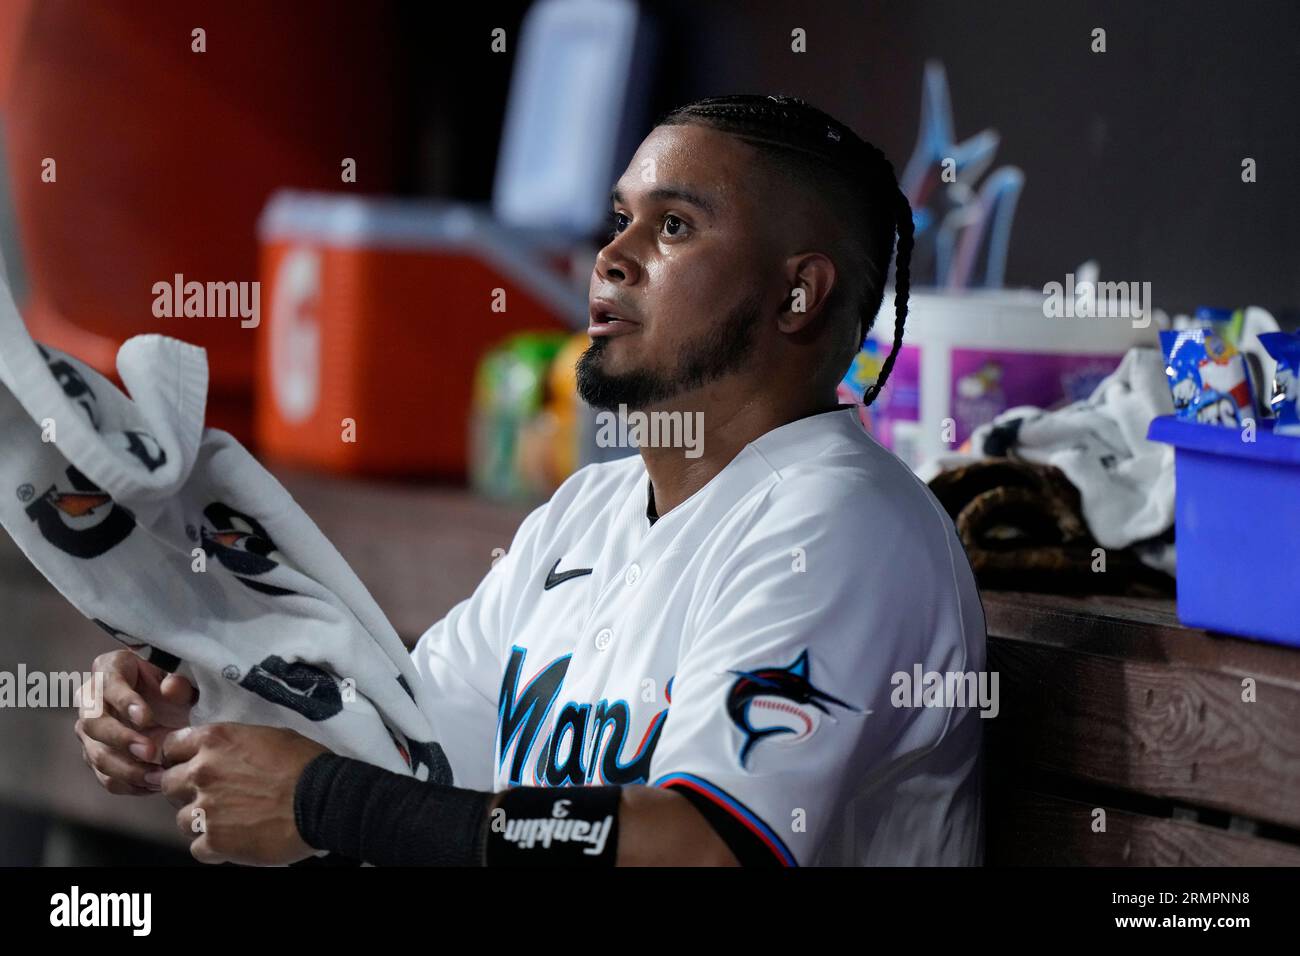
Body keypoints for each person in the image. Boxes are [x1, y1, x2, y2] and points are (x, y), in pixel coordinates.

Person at [74, 94, 986, 866]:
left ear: (800, 294)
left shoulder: (841, 526)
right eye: (619, 218)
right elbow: (415, 755)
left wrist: (317, 803)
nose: (613, 256)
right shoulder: (586, 510)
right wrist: (190, 711)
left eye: (673, 226)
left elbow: (705, 848)